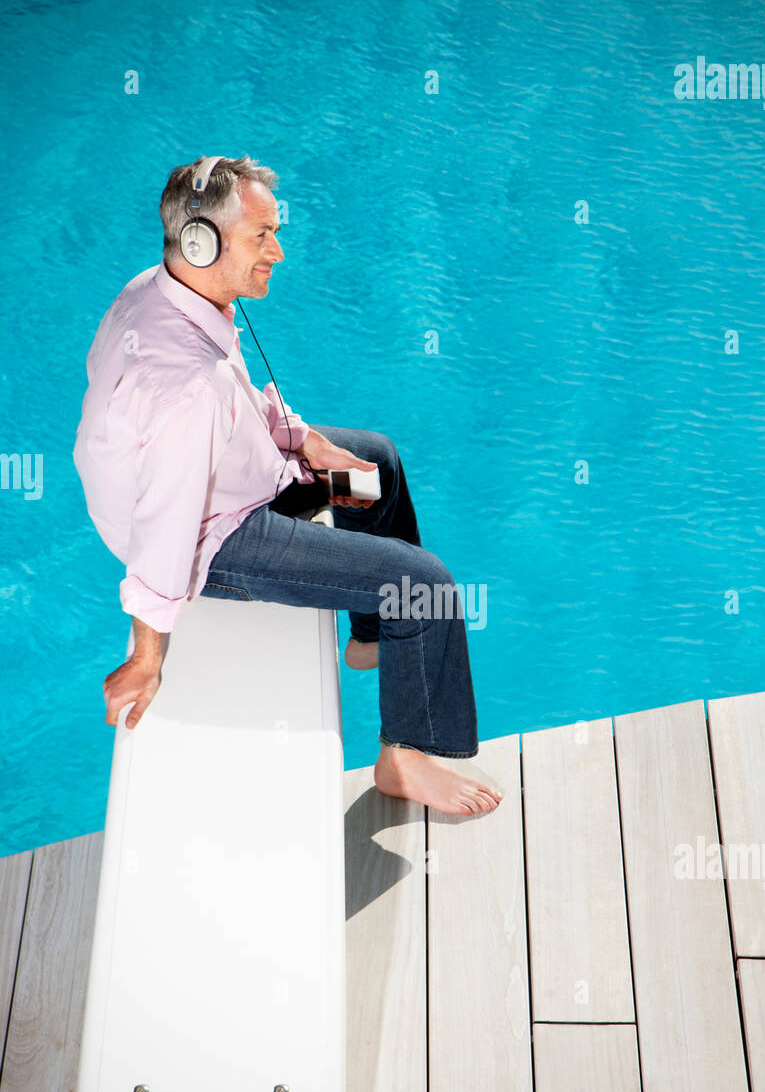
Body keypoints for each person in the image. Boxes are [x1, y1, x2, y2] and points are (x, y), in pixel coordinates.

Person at [73, 154, 503, 816]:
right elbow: (166, 525)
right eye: (261, 236)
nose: (277, 250)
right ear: (201, 241)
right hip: (211, 539)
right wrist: (148, 655)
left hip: (222, 477)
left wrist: (298, 438)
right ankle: (405, 758)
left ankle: (372, 631)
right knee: (425, 585)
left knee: (373, 468)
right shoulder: (186, 391)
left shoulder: (163, 290)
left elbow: (232, 396)